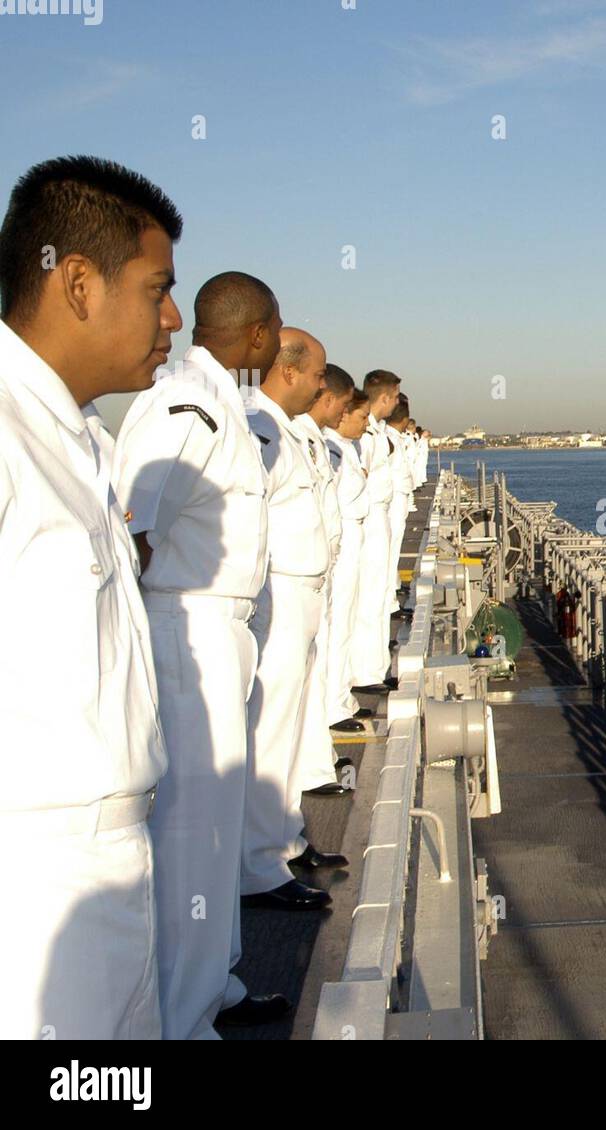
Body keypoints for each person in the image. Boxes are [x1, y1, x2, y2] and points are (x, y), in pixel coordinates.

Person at [0, 155, 178, 1039]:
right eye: (157, 289)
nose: (171, 318)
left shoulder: (79, 440)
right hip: (33, 891)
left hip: (114, 863)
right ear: (77, 283)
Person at [114, 271, 291, 1037]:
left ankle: (212, 986)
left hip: (221, 632)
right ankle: (183, 1020)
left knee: (213, 830)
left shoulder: (222, 404)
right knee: (190, 834)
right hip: (185, 630)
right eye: (275, 334)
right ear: (254, 336)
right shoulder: (183, 407)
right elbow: (131, 527)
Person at [241, 328, 332, 909]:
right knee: (270, 727)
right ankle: (259, 866)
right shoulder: (260, 428)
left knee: (292, 724)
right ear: (289, 370)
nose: (325, 384)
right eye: (319, 373)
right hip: (277, 593)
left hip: (305, 591)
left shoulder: (287, 430)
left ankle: (286, 839)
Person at [290, 362, 352, 803]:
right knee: (281, 703)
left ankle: (313, 768)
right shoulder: (283, 437)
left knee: (311, 675)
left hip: (317, 570)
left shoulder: (311, 442)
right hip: (287, 581)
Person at [351, 370, 401, 694]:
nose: (396, 402)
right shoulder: (365, 433)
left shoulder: (377, 430)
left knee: (380, 594)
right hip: (367, 516)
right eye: (395, 396)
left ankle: (376, 665)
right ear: (383, 397)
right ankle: (364, 673)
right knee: (368, 596)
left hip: (378, 514)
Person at [324, 387, 371, 733]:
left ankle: (341, 699)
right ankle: (333, 706)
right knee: (336, 624)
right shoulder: (329, 448)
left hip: (350, 535)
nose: (365, 424)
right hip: (336, 543)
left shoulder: (344, 448)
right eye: (361, 416)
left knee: (346, 620)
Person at [386, 394, 415, 615]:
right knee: (388, 551)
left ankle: (391, 590)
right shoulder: (386, 439)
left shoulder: (392, 439)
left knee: (392, 550)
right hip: (390, 500)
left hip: (397, 498)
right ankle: (389, 598)